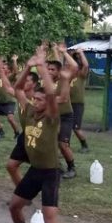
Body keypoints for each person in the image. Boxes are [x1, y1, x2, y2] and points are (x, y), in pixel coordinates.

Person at [4, 47, 96, 223]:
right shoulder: (28, 113)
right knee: (15, 206)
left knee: (50, 222)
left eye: (40, 99)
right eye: (34, 98)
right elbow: (17, 90)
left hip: (50, 174)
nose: (36, 102)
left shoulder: (52, 117)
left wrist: (42, 67)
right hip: (35, 171)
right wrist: (28, 66)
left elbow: (53, 96)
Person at [48, 44, 79, 179]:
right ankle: (57, 167)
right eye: (48, 69)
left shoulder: (64, 79)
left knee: (63, 144)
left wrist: (64, 53)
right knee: (50, 142)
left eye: (52, 70)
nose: (49, 71)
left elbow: (75, 67)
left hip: (66, 115)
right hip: (52, 116)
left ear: (58, 71)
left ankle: (71, 168)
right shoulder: (45, 81)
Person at [70, 49, 91, 153]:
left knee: (76, 127)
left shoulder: (81, 75)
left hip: (77, 104)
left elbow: (86, 65)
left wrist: (81, 53)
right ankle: (64, 145)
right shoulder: (68, 76)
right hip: (67, 103)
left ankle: (85, 145)